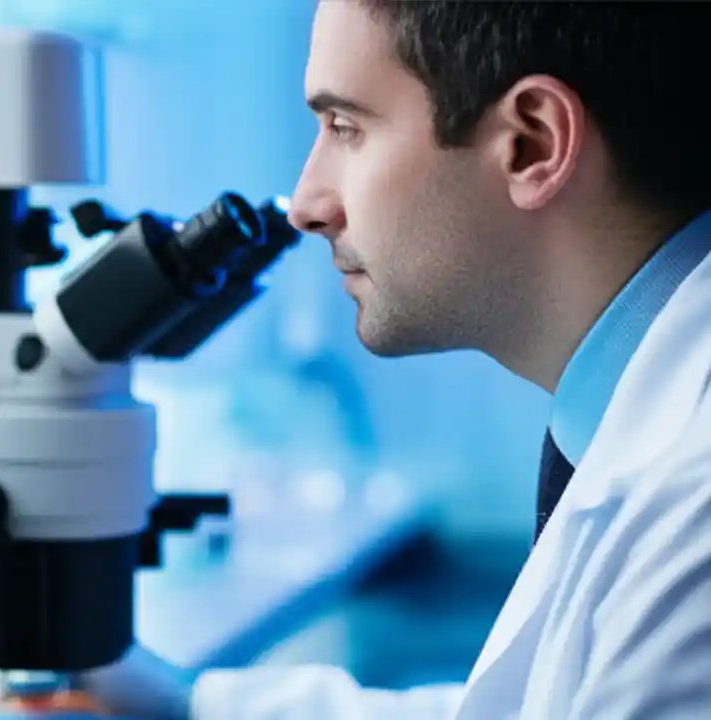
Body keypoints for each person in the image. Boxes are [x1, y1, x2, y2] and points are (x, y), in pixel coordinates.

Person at [83, 1, 711, 718]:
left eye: (345, 127)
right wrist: (183, 707)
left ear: (531, 144)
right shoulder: (650, 430)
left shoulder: (694, 511)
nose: (307, 203)